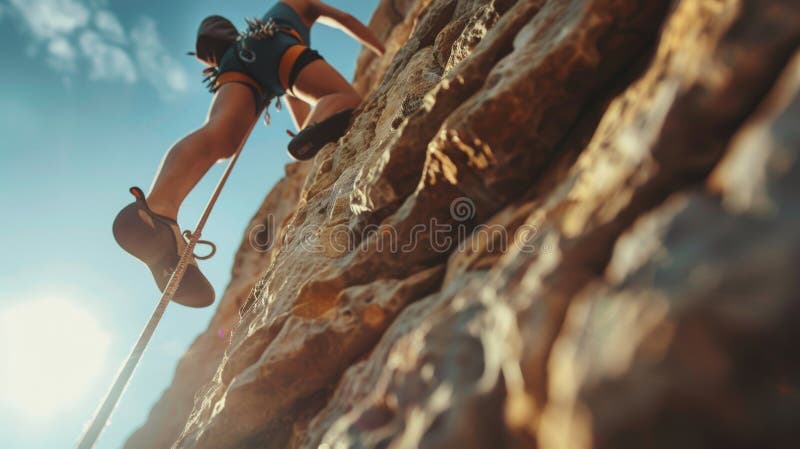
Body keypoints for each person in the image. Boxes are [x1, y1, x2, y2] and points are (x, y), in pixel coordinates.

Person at [112, 1, 385, 307]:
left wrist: (306, 130)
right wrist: (385, 51)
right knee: (341, 97)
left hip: (238, 61)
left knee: (220, 137)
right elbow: (346, 18)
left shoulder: (271, 15)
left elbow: (291, 92)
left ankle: (157, 209)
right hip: (276, 45)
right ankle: (327, 114)